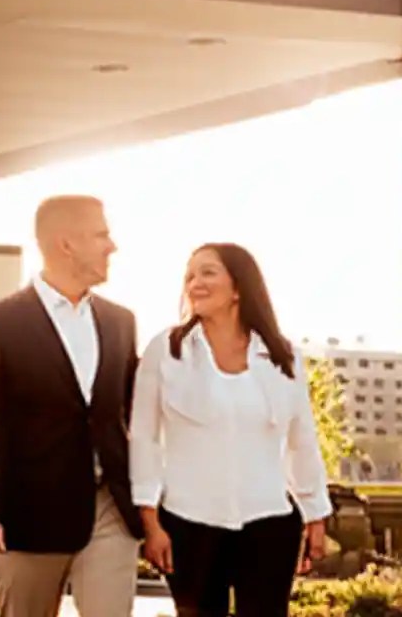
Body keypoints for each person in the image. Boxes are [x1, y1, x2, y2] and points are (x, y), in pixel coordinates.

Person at [0, 194, 145, 617]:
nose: (111, 246)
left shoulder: (120, 323)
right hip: (27, 517)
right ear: (66, 244)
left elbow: (134, 413)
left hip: (110, 510)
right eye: (101, 235)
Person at [130, 242, 333, 617]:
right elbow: (143, 438)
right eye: (190, 276)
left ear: (238, 287)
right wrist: (150, 522)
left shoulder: (283, 356)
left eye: (208, 272)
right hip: (188, 524)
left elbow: (301, 439)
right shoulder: (167, 351)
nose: (195, 283)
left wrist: (315, 514)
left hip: (269, 521)